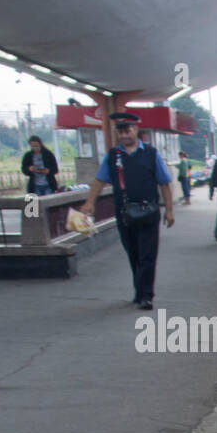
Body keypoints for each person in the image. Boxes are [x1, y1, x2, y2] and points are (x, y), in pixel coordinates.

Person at [78, 111, 174, 309]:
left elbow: (164, 183)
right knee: (133, 252)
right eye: (120, 132)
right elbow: (99, 180)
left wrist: (169, 210)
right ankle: (139, 291)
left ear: (136, 130)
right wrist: (89, 203)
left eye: (127, 131)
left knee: (147, 254)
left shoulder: (151, 153)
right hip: (124, 213)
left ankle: (146, 295)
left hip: (148, 211)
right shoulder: (113, 156)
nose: (124, 135)